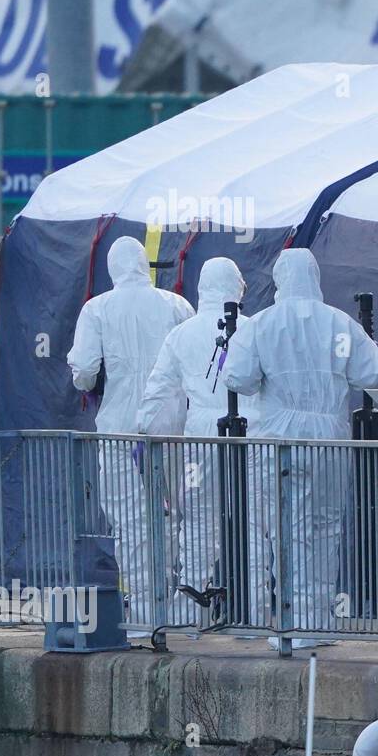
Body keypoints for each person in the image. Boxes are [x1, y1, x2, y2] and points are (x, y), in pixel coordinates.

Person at [223, 249, 378, 649]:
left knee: (284, 528)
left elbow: (238, 377)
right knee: (325, 526)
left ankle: (293, 621)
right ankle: (318, 619)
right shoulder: (340, 324)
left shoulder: (261, 324)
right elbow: (370, 372)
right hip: (328, 434)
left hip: (279, 433)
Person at [67, 236, 194, 635]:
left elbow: (84, 372)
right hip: (169, 422)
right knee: (172, 513)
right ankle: (174, 603)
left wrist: (90, 375)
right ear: (144, 264)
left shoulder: (97, 308)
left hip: (120, 426)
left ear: (112, 268)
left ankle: (141, 609)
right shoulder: (177, 305)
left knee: (129, 519)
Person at [136, 258, 261, 630]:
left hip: (199, 439)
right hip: (250, 436)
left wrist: (144, 432)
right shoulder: (254, 329)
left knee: (198, 523)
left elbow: (158, 392)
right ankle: (251, 611)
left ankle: (191, 613)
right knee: (252, 524)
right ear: (235, 287)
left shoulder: (182, 334)